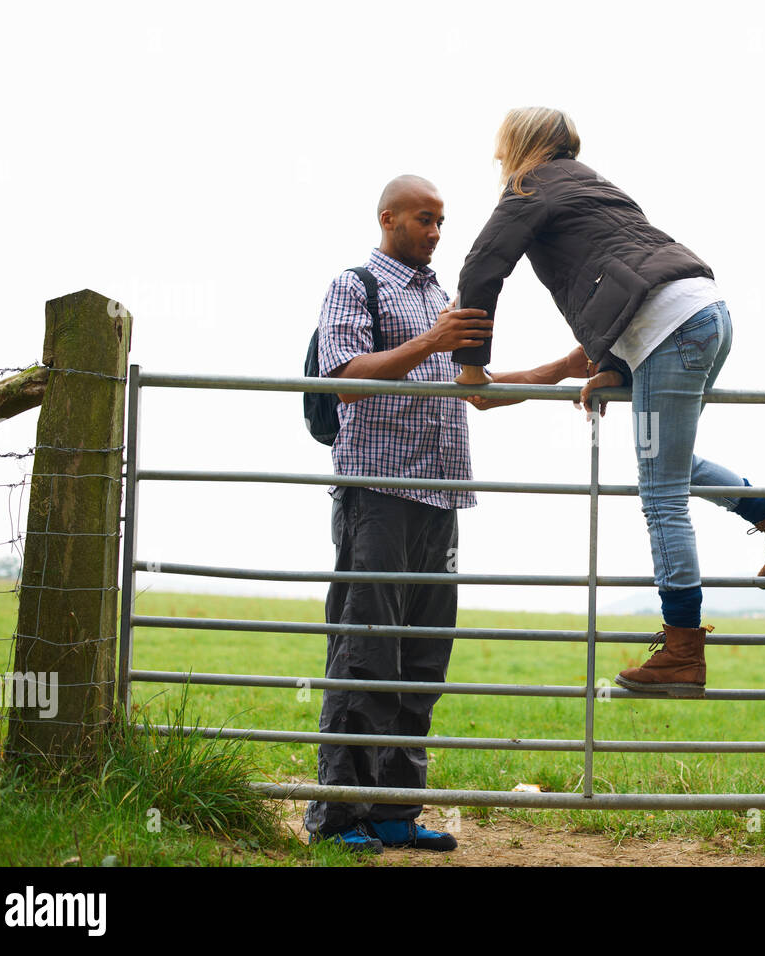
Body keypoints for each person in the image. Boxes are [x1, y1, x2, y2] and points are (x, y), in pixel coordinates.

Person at [456, 108, 765, 700]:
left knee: (660, 494)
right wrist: (612, 363)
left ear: (517, 147)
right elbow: (624, 273)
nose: (500, 164)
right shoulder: (597, 185)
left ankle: (682, 649)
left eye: (501, 151)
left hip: (670, 331)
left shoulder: (528, 188)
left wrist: (471, 370)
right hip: (703, 314)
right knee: (670, 468)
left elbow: (481, 270)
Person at [304, 174, 591, 852]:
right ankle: (338, 818)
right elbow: (340, 378)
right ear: (388, 218)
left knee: (422, 663)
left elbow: (477, 394)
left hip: (442, 499)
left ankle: (395, 813)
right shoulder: (354, 286)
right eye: (424, 219)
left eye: (441, 221)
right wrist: (430, 343)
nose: (436, 232)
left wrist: (561, 369)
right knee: (365, 657)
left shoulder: (440, 296)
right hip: (377, 494)